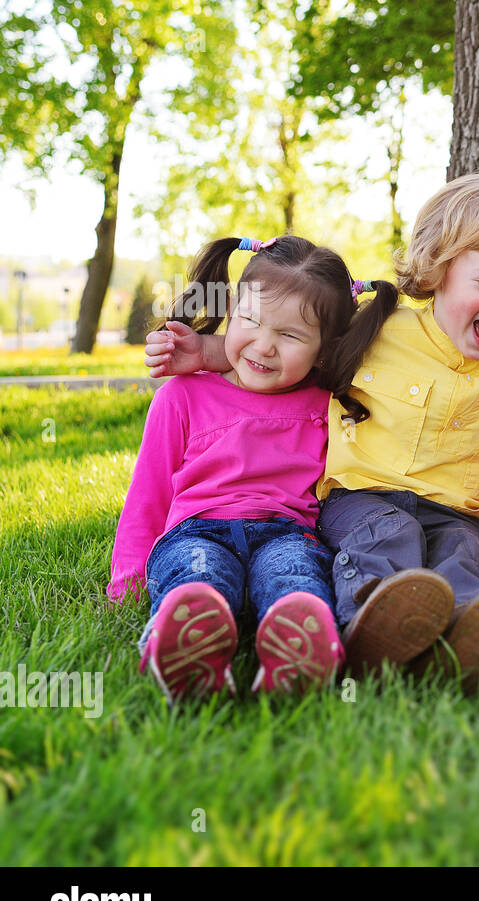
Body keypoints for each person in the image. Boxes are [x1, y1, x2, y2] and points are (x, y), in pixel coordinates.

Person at [145, 175, 479, 691]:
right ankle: (372, 625)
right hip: (364, 497)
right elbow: (293, 345)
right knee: (389, 536)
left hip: (456, 510)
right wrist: (211, 353)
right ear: (439, 269)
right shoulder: (380, 328)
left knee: (465, 552)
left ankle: (465, 637)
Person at [111, 235, 351, 701]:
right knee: (196, 576)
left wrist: (208, 350)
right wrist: (128, 582)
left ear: (325, 348)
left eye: (290, 335)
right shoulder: (181, 396)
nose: (263, 346)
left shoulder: (330, 407)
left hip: (286, 533)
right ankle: (189, 650)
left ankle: (298, 654)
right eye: (250, 321)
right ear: (231, 312)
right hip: (197, 532)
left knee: (296, 577)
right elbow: (148, 496)